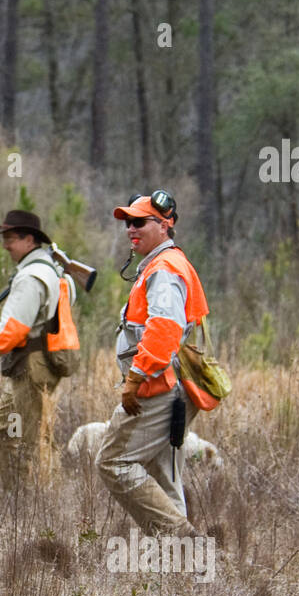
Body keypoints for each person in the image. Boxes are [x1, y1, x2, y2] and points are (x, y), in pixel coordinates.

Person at [96, 190, 208, 537]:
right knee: (163, 472)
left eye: (139, 222)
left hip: (157, 386)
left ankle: (184, 540)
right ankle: (181, 567)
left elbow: (164, 327)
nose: (131, 229)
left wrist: (135, 379)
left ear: (165, 225)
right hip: (173, 385)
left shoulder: (164, 269)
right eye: (128, 223)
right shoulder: (166, 265)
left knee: (113, 462)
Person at [0, 210, 77, 491]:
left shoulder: (30, 277)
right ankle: (21, 499)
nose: (5, 245)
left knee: (36, 440)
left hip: (32, 365)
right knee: (1, 429)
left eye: (10, 238)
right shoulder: (53, 270)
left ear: (29, 240)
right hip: (36, 363)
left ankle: (44, 509)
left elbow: (12, 330)